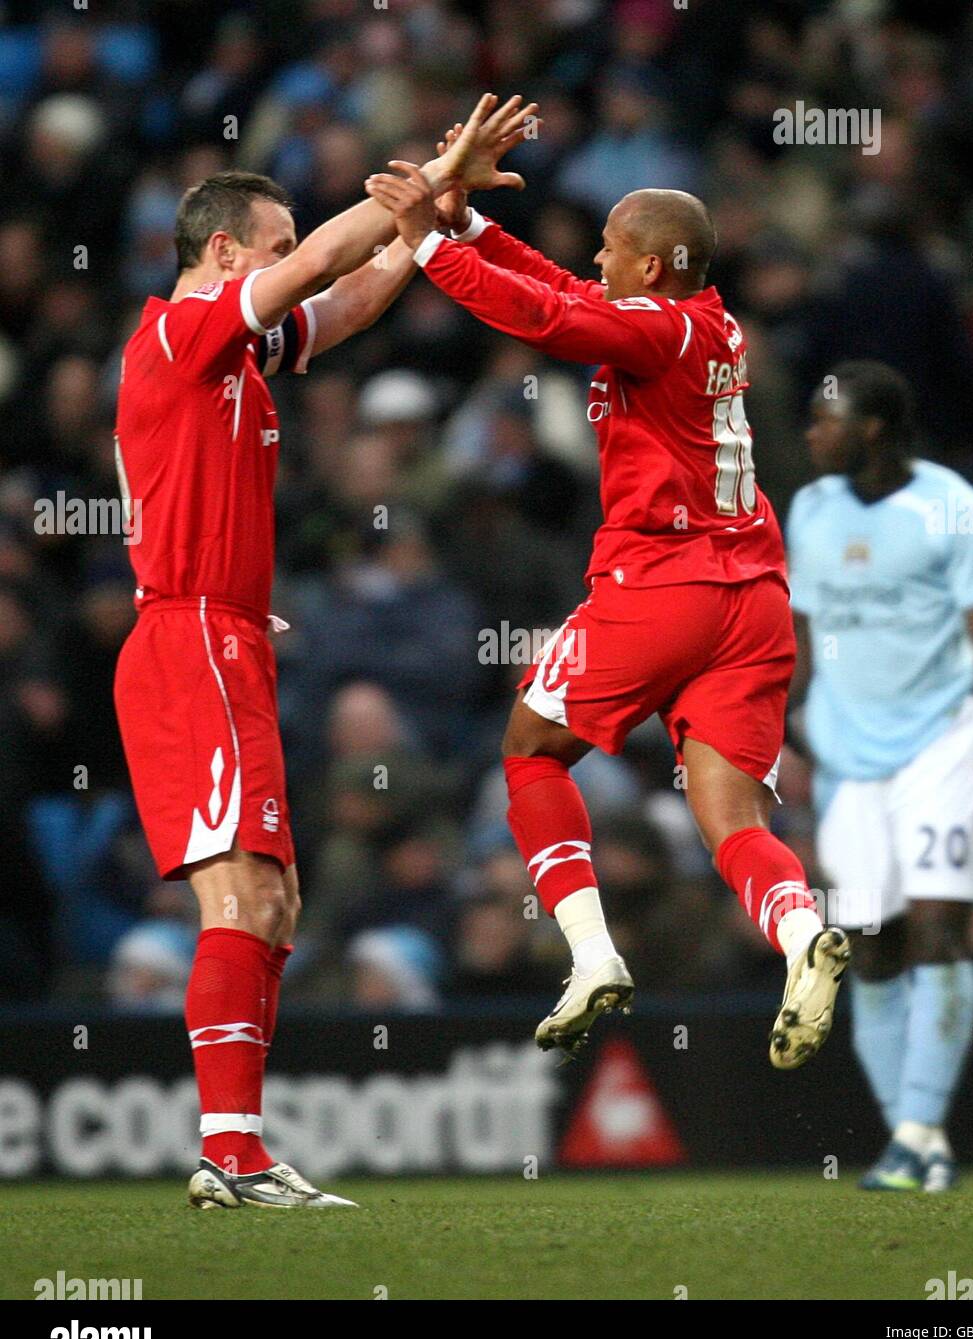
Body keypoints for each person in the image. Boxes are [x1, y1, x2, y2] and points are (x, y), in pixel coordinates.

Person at [113, 92, 534, 1209]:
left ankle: (238, 1149)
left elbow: (342, 302)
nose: (291, 260)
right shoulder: (176, 330)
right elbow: (323, 267)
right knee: (240, 896)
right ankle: (231, 1154)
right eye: (275, 244)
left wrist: (427, 214)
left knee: (276, 900)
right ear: (222, 251)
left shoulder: (237, 355)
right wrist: (434, 168)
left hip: (230, 638)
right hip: (192, 635)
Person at [366, 152, 850, 1066]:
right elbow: (561, 290)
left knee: (529, 752)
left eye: (610, 250)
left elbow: (546, 314)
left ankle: (591, 956)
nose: (595, 260)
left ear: (653, 267)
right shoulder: (706, 323)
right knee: (732, 818)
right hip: (754, 597)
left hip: (666, 584)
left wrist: (425, 240)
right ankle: (800, 936)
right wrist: (471, 229)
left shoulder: (657, 329)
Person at [787, 361, 973, 1191]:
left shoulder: (954, 508)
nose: (811, 433)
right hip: (847, 759)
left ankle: (917, 1127)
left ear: (875, 428)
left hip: (942, 745)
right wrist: (784, 730)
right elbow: (806, 639)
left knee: (936, 932)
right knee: (870, 948)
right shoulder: (810, 510)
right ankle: (913, 1145)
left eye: (825, 420)